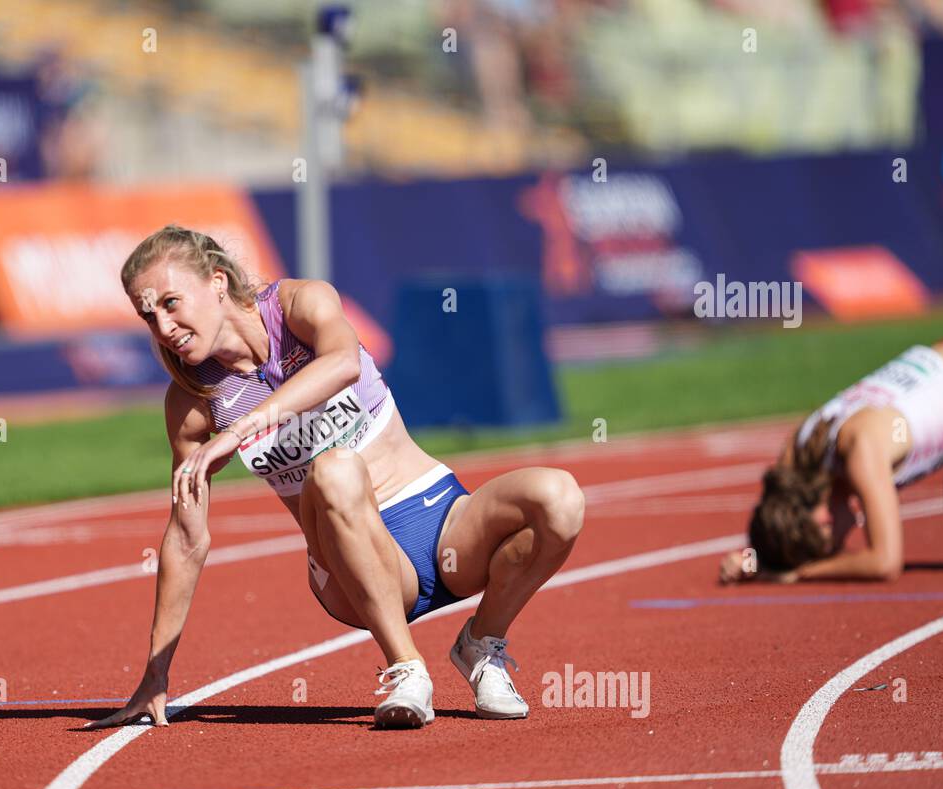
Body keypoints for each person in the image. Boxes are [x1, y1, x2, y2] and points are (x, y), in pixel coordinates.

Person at [89, 225, 584, 730]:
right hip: (348, 567)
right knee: (334, 467)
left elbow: (344, 362)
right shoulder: (194, 401)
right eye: (147, 314)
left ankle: (481, 644)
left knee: (558, 497)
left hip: (441, 524)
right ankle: (406, 669)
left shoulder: (299, 304)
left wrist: (243, 428)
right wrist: (155, 672)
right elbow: (187, 537)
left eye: (171, 303)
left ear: (218, 281)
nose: (163, 325)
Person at [720, 340, 943, 584]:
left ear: (824, 521)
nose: (841, 543)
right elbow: (774, 514)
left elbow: (885, 563)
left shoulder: (861, 448)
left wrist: (801, 573)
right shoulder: (797, 449)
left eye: (832, 546)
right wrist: (752, 560)